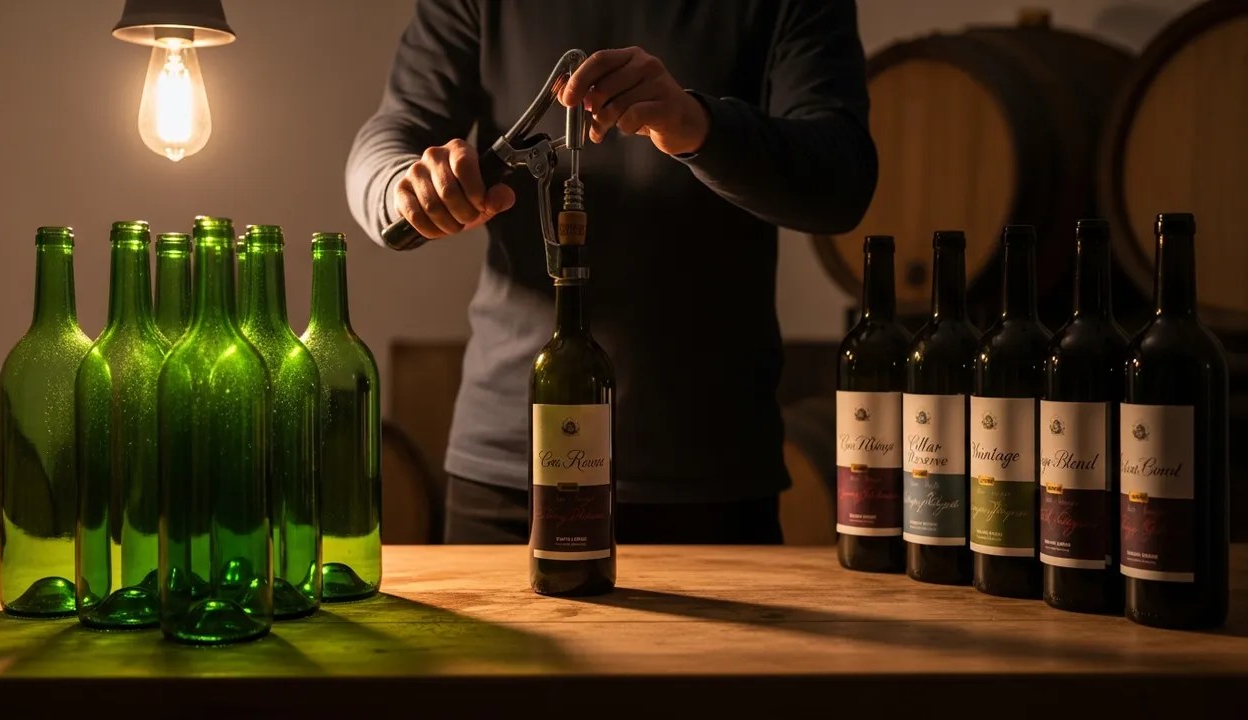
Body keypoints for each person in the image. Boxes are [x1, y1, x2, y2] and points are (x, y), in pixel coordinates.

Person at [346, 0, 877, 544]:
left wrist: (696, 125)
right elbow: (391, 135)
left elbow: (841, 181)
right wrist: (400, 187)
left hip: (707, 478)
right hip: (511, 470)